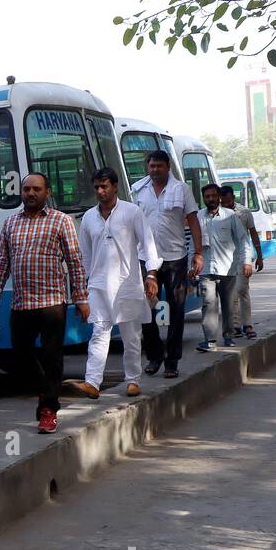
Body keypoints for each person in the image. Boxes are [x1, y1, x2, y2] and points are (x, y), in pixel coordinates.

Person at [0, 172, 88, 434]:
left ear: (47, 192)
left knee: (52, 357)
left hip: (52, 302)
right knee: (20, 355)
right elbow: (1, 263)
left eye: (36, 189)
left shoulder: (61, 221)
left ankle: (48, 412)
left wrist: (80, 298)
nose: (30, 194)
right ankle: (48, 394)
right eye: (26, 189)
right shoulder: (10, 224)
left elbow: (75, 262)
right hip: (21, 303)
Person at [77, 168, 160, 399]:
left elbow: (148, 245)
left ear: (115, 187)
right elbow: (84, 254)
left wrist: (151, 275)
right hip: (98, 284)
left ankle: (133, 380)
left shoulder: (131, 212)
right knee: (99, 332)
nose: (100, 191)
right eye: (96, 187)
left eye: (104, 186)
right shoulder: (88, 217)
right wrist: (83, 287)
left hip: (128, 283)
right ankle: (92, 382)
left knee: (130, 335)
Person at [133, 149, 202, 379]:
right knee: (146, 309)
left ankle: (172, 361)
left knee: (176, 310)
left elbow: (193, 220)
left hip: (175, 258)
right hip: (146, 259)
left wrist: (198, 253)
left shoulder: (180, 189)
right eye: (151, 166)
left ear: (167, 167)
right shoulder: (138, 189)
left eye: (159, 166)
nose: (154, 170)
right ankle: (154, 357)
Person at [190, 183, 248, 351]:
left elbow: (243, 239)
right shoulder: (198, 217)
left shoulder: (230, 216)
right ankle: (210, 341)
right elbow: (193, 244)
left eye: (213, 196)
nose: (210, 199)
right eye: (207, 197)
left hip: (228, 268)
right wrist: (190, 267)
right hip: (206, 269)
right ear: (204, 199)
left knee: (228, 304)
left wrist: (247, 262)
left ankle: (228, 336)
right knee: (209, 304)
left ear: (219, 197)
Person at [220, 183, 263, 339]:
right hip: (224, 259)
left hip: (243, 257)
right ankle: (236, 326)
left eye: (228, 201)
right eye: (222, 202)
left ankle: (248, 324)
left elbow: (253, 234)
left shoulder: (244, 212)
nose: (225, 205)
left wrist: (259, 256)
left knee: (242, 290)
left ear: (233, 198)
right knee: (231, 294)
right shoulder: (217, 214)